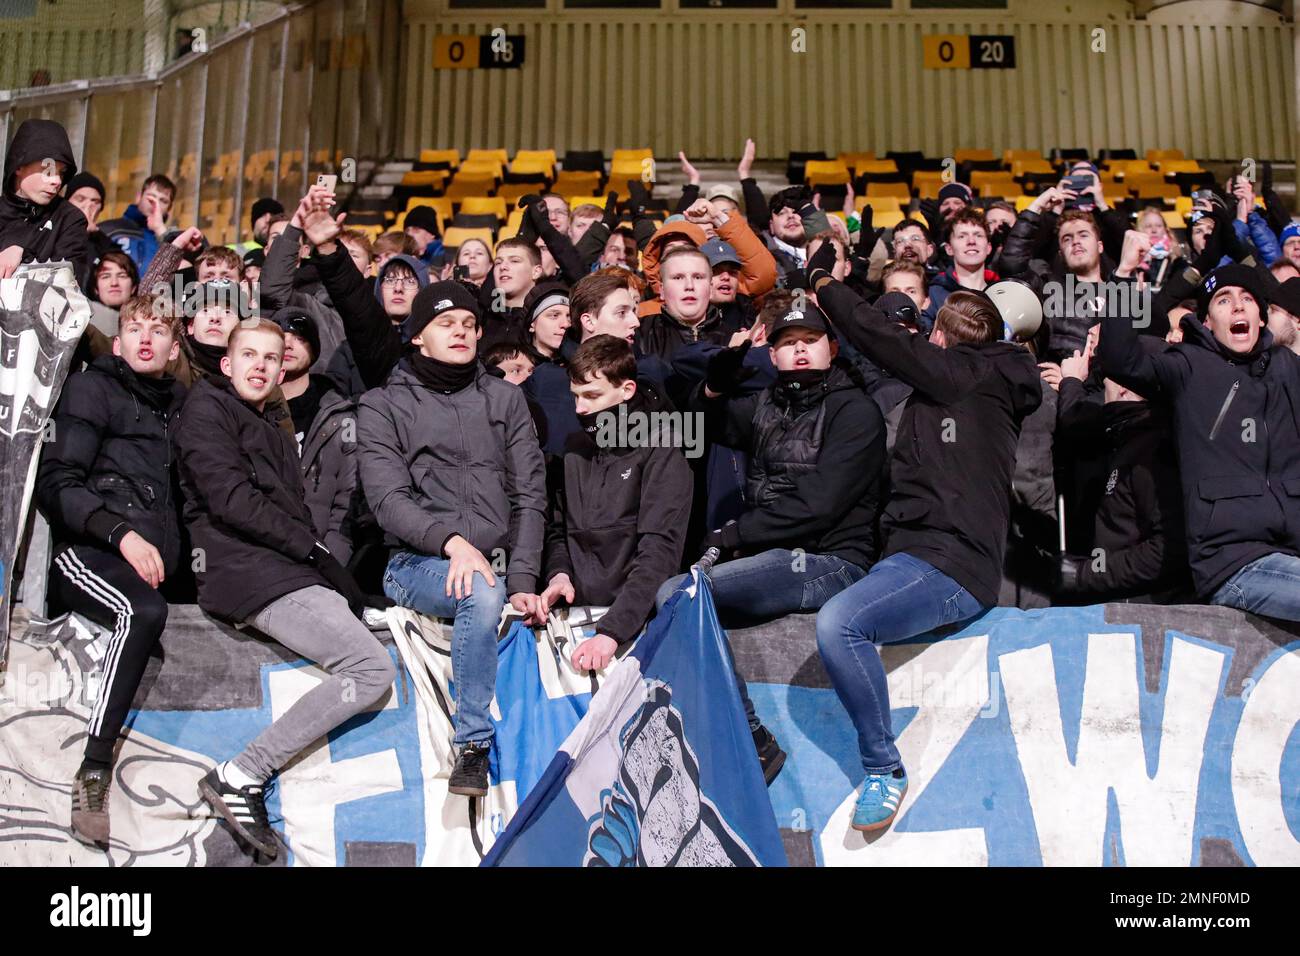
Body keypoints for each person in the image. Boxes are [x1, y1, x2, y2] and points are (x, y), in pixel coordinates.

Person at [808, 242, 1042, 833]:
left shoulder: (971, 376)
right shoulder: (953, 389)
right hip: (909, 560)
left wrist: (824, 283)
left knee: (841, 622)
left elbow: (881, 340)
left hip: (948, 564)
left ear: (940, 340)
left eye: (928, 336)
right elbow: (882, 358)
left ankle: (883, 768)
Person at [176, 319, 395, 859]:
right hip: (246, 572)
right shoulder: (206, 408)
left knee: (382, 635)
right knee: (371, 669)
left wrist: (322, 564)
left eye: (271, 358)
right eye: (247, 355)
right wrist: (312, 549)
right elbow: (229, 499)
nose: (259, 365)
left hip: (287, 569)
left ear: (282, 370)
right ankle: (242, 772)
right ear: (226, 364)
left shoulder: (270, 420)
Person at [658, 301, 887, 785]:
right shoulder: (766, 406)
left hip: (832, 560)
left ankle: (748, 739)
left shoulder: (856, 410)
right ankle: (750, 738)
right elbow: (694, 427)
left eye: (809, 340)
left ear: (833, 347)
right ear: (773, 354)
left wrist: (737, 533)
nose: (799, 349)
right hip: (773, 559)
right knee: (680, 597)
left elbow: (821, 503)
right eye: (787, 342)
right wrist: (715, 385)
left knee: (681, 593)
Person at [357, 281, 546, 797]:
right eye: (445, 324)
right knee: (482, 589)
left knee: (491, 584)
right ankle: (473, 746)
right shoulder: (380, 405)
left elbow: (530, 494)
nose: (460, 332)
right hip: (417, 562)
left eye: (468, 324)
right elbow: (387, 499)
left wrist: (526, 577)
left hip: (496, 561)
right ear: (418, 337)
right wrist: (450, 542)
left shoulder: (506, 398)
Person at [37, 294, 187, 845]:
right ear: (118, 341)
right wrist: (119, 534)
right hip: (87, 550)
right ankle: (94, 769)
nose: (146, 338)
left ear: (175, 349)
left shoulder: (180, 405)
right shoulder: (92, 387)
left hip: (151, 560)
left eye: (159, 330)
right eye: (135, 328)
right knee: (142, 611)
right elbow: (57, 485)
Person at [1100, 261, 1300, 621]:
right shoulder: (1187, 366)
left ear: (1261, 316)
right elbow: (1119, 358)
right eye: (1223, 300)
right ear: (1207, 322)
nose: (1237, 306)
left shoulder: (1287, 366)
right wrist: (1124, 275)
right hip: (1233, 563)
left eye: (1247, 299)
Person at [523, 335, 691, 676]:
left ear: (626, 390)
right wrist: (559, 574)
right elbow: (557, 528)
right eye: (576, 396)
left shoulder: (663, 447)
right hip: (577, 618)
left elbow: (659, 552)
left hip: (633, 628)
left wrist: (612, 632)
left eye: (592, 395)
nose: (580, 408)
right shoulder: (573, 448)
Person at [272, 307, 360, 562]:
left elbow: (350, 502)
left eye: (300, 337)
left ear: (314, 351)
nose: (288, 344)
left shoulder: (340, 416)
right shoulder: (247, 411)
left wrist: (329, 563)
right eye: (281, 337)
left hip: (325, 559)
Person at [0, 118, 90, 283]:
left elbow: (67, 281)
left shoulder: (69, 219)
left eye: (61, 173)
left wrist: (22, 254)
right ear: (19, 166)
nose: (56, 181)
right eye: (47, 171)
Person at [100, 173, 177, 274]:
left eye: (163, 201)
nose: (155, 204)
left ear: (169, 208)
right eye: (151, 197)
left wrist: (161, 231)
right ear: (138, 197)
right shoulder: (110, 229)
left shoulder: (173, 241)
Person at [87, 251, 139, 336]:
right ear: (96, 288)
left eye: (122, 276)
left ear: (133, 287)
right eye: (106, 276)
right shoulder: (82, 318)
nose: (114, 283)